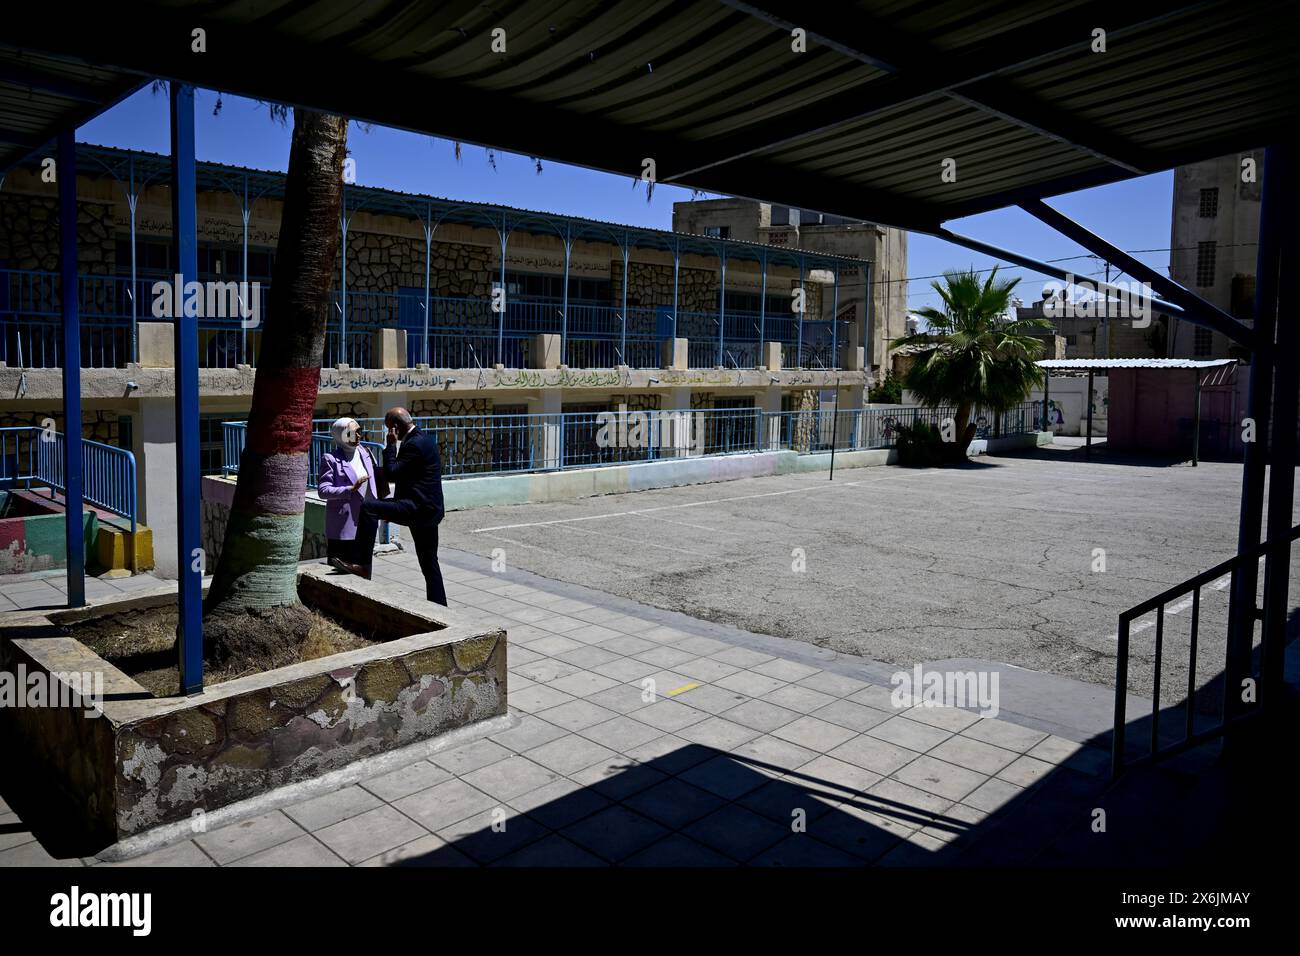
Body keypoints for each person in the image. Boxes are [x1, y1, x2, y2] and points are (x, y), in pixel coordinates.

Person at [361, 407, 447, 605]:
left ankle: (363, 565)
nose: (390, 434)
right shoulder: (424, 439)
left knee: (368, 508)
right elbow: (409, 473)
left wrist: (390, 446)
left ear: (396, 428)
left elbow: (392, 473)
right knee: (429, 562)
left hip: (416, 508)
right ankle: (440, 605)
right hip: (428, 510)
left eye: (389, 430)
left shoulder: (414, 444)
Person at [317, 417, 386, 580]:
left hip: (368, 518)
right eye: (351, 433)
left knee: (364, 566)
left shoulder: (365, 452)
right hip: (344, 523)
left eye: (359, 432)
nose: (358, 437)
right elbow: (323, 490)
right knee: (340, 570)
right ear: (340, 436)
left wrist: (382, 506)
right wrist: (350, 489)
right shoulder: (331, 459)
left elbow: (375, 481)